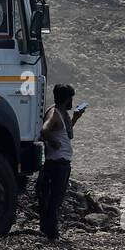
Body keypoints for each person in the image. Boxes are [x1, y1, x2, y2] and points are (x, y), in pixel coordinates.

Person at [38, 84, 84, 241]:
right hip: (57, 163)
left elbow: (66, 135)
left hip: (61, 162)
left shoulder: (62, 113)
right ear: (67, 99)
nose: (72, 101)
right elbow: (44, 130)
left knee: (53, 198)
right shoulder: (55, 114)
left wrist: (76, 118)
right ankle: (52, 234)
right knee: (54, 199)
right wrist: (52, 142)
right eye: (71, 98)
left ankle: (47, 231)